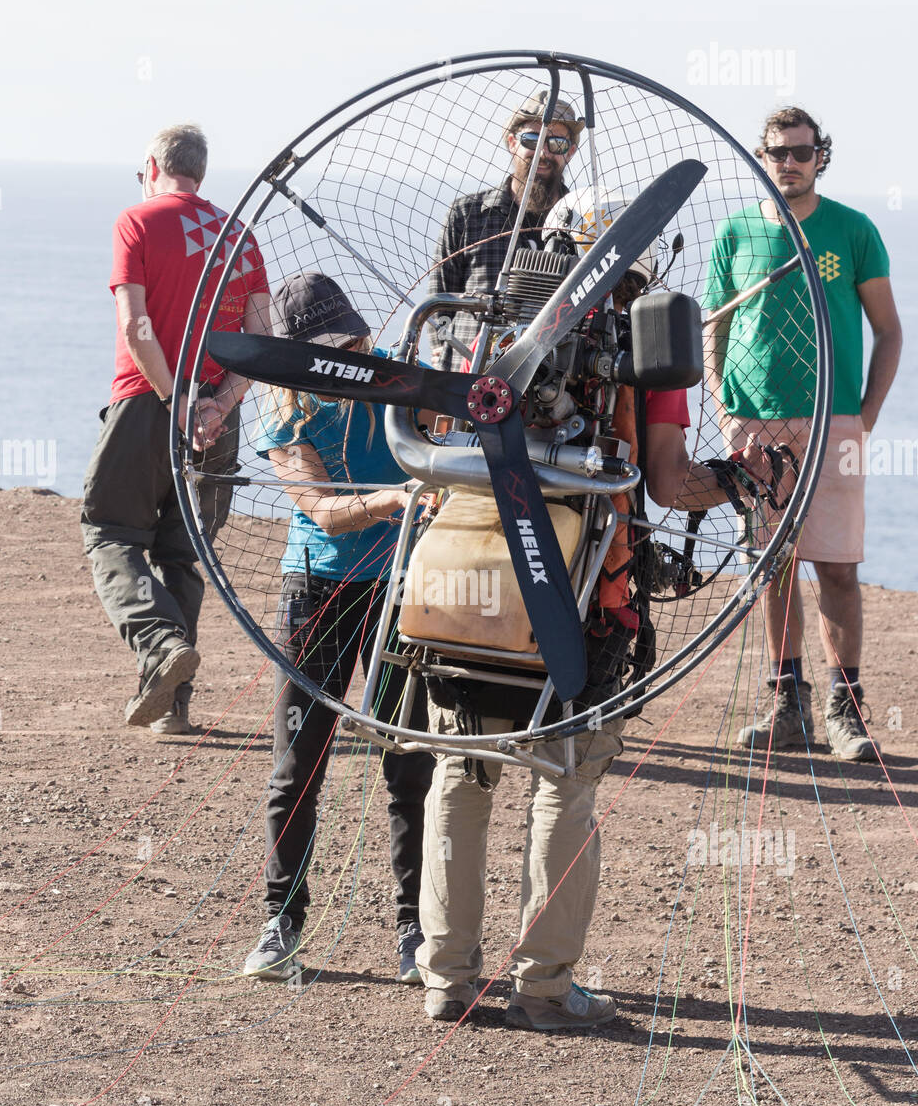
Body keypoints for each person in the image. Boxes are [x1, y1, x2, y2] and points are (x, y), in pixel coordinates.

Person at [416, 260, 785, 1030]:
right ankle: (544, 988)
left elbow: (431, 441)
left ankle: (447, 980)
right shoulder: (647, 351)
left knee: (461, 774)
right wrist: (744, 479)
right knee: (564, 782)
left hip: (462, 594)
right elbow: (667, 481)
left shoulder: (478, 335)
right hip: (581, 606)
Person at [242, 273, 435, 985]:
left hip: (401, 591)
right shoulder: (284, 418)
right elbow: (322, 511)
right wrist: (396, 499)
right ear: (297, 359)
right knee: (300, 764)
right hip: (317, 592)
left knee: (408, 759)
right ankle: (280, 920)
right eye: (332, 348)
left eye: (353, 339)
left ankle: (415, 929)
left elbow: (453, 438)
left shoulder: (400, 382)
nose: (351, 353)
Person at [704, 107, 902, 760]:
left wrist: (865, 416)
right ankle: (789, 706)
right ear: (762, 157)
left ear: (820, 156)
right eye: (778, 152)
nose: (789, 161)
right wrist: (726, 414)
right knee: (773, 567)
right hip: (756, 424)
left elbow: (889, 329)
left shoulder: (853, 230)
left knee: (838, 567)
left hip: (834, 420)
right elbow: (716, 330)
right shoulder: (735, 234)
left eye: (801, 151)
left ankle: (847, 712)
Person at [80, 123, 271, 734]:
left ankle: (161, 647)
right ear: (202, 173)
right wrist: (218, 403)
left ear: (151, 166)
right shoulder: (240, 235)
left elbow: (139, 330)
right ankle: (173, 710)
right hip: (221, 419)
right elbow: (262, 342)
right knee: (183, 557)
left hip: (147, 403)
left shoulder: (136, 222)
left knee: (109, 531)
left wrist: (177, 399)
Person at [429, 88, 582, 371]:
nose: (543, 153)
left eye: (557, 144)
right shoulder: (467, 214)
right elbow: (439, 301)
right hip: (467, 381)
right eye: (532, 140)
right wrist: (444, 354)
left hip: (548, 386)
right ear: (512, 143)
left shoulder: (584, 223)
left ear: (570, 152)